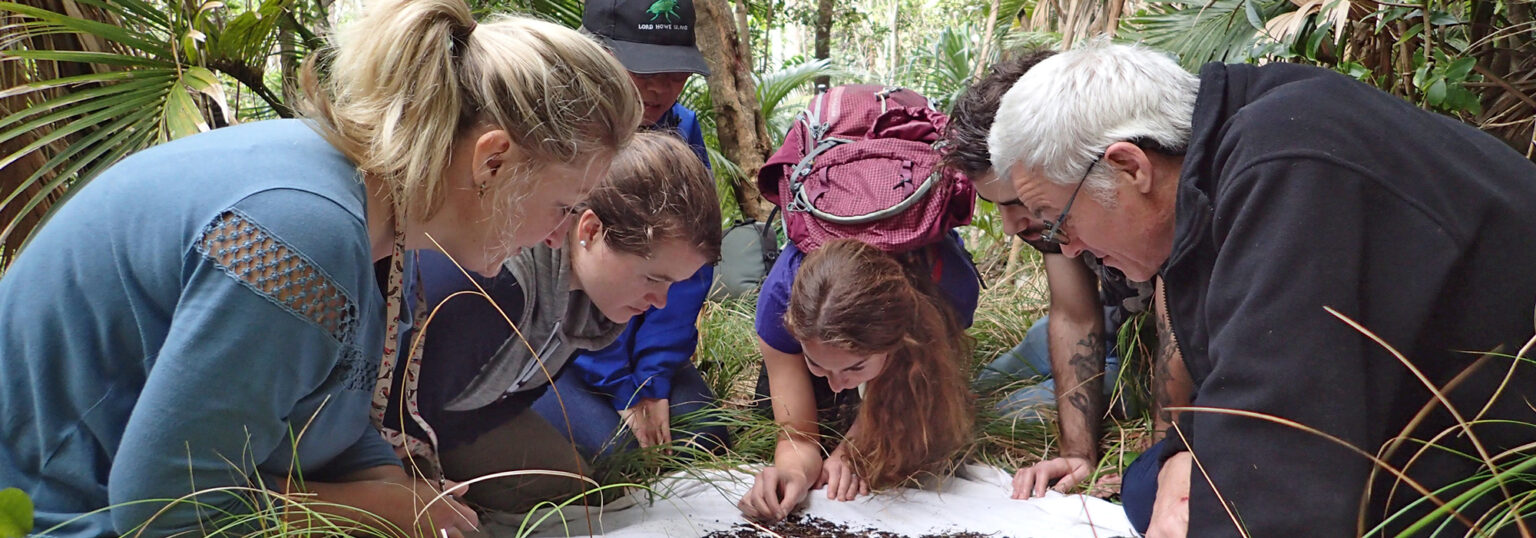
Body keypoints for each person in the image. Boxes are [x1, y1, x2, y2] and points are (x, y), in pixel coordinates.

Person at [0, 0, 642, 536]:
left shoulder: (382, 222)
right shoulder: (303, 234)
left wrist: (391, 484)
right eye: (563, 205)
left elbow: (324, 409)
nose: (560, 236)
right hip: (54, 510)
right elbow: (163, 503)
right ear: (492, 162)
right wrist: (375, 509)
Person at [988, 40, 1536, 537]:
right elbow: (1251, 377)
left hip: (1498, 465)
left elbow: (1281, 463)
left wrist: (1205, 482)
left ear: (1130, 166)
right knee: (1154, 488)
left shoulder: (1288, 163)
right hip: (1415, 417)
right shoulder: (1222, 167)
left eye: (1056, 221)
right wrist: (1187, 456)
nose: (1070, 248)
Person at [378, 132, 723, 515]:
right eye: (653, 279)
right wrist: (406, 493)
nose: (660, 301)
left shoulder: (592, 302)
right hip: (387, 425)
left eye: (673, 285)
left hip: (473, 413)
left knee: (577, 493)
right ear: (591, 231)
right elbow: (391, 400)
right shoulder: (497, 282)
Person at [942, 50, 1192, 524]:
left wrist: (1163, 458)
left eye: (1022, 202)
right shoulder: (1049, 206)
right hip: (1103, 320)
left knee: (1018, 409)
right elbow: (1074, 315)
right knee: (970, 395)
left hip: (1144, 347)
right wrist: (1077, 452)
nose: (1015, 224)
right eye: (996, 204)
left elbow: (1173, 327)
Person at [526, 0, 728, 461]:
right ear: (599, 56)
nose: (661, 88)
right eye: (643, 69)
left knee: (702, 435)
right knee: (613, 455)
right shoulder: (555, 130)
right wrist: (620, 385)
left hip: (642, 345)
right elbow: (554, 281)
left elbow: (684, 264)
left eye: (676, 71)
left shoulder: (680, 129)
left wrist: (652, 377)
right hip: (558, 350)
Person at [737, 232, 980, 522]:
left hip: (925, 302)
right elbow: (797, 437)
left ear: (898, 340)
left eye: (855, 367)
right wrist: (792, 474)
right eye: (818, 364)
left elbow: (911, 386)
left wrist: (856, 447)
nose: (837, 384)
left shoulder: (951, 290)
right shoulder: (777, 304)